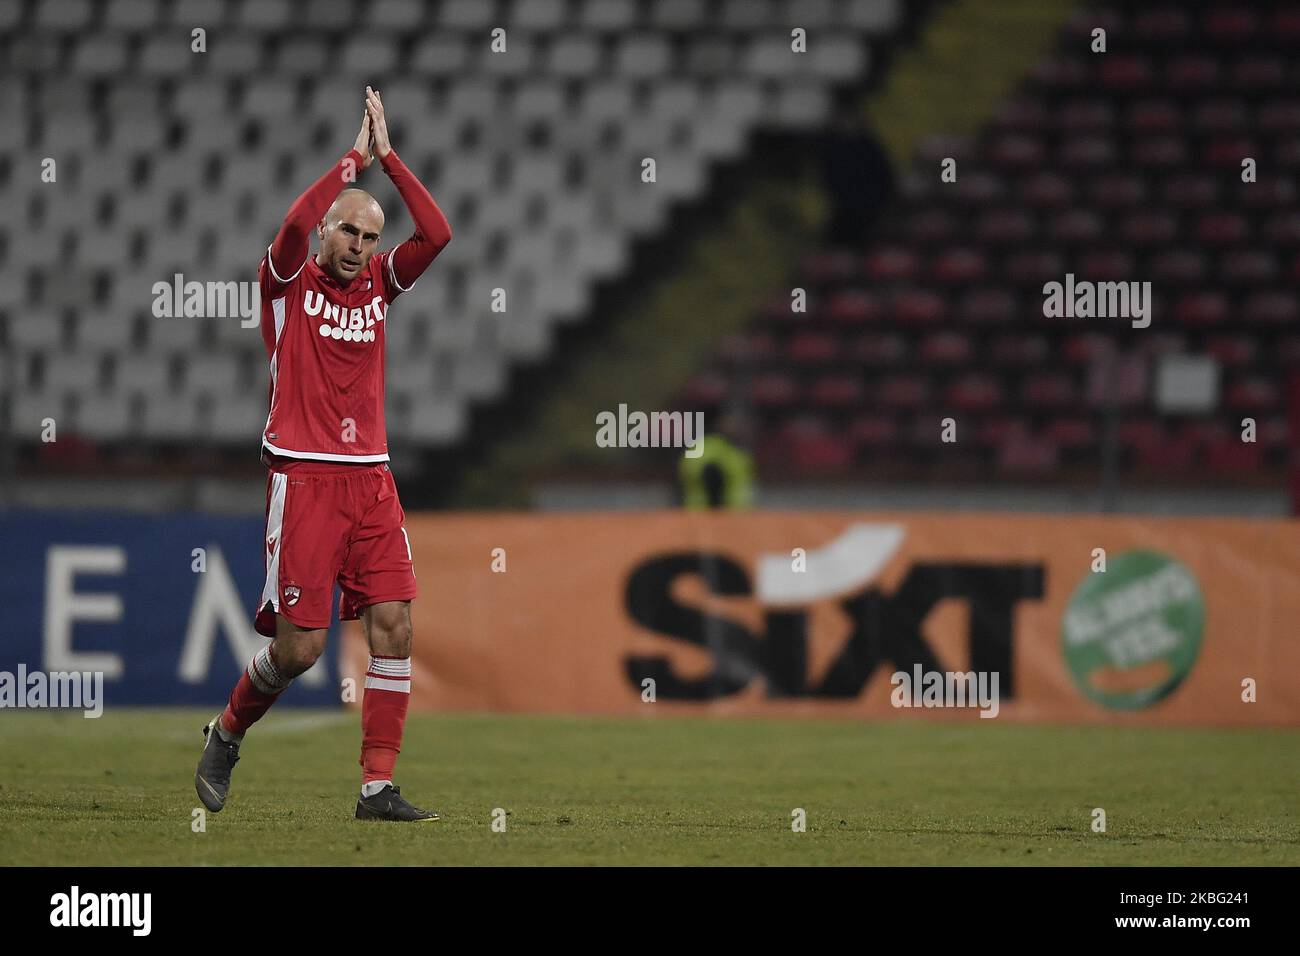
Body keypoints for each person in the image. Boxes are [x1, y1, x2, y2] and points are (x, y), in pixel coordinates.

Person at [195, 87, 452, 822]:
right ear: (325, 234)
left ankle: (377, 787)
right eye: (349, 234)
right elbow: (291, 222)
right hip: (303, 478)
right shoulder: (282, 285)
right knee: (299, 651)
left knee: (397, 622)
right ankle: (228, 730)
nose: (360, 249)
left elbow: (437, 235)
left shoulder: (378, 284)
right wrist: (351, 160)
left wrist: (392, 160)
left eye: (371, 239)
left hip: (371, 478)